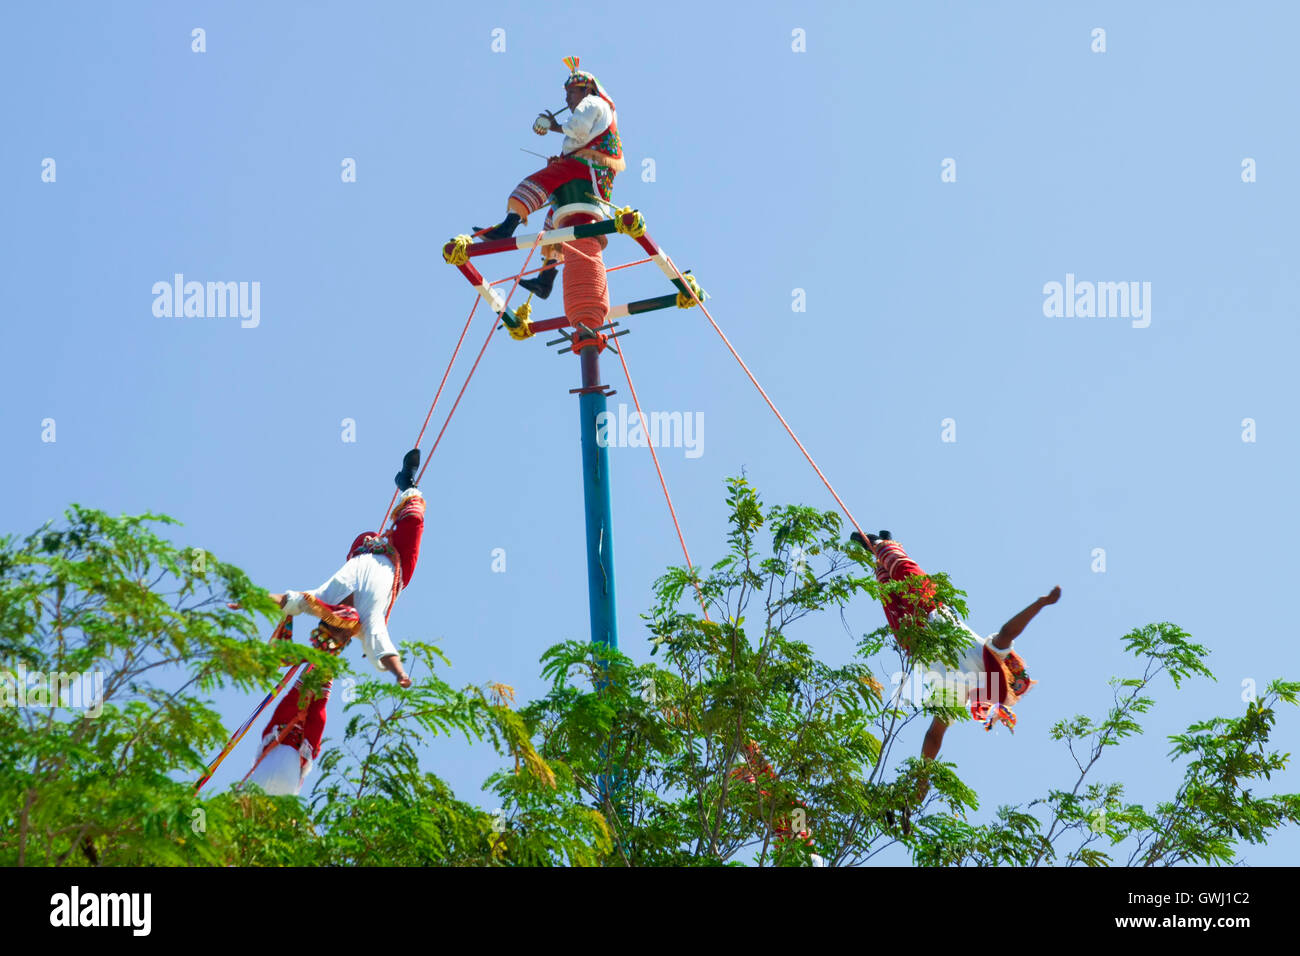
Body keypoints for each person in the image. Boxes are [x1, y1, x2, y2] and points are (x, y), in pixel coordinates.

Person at [247, 449, 426, 796]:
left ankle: (405, 484)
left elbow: (290, 600)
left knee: (312, 680)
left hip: (365, 553)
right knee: (416, 515)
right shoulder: (361, 611)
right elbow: (380, 644)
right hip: (397, 562)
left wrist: (253, 598)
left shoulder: (329, 595)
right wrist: (399, 673)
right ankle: (408, 486)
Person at [851, 530, 1059, 760]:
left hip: (913, 640)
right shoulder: (987, 655)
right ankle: (882, 543)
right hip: (930, 609)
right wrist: (1041, 604)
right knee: (902, 569)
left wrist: (924, 773)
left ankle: (876, 550)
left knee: (888, 588)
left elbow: (934, 736)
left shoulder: (955, 698)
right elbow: (1008, 632)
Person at [476, 57, 625, 300]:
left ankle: (507, 227)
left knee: (539, 182)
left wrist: (554, 126)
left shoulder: (593, 102)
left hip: (587, 169)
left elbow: (577, 130)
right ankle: (547, 277)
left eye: (571, 93)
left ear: (586, 89)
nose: (567, 100)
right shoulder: (598, 108)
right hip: (590, 174)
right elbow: (579, 139)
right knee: (556, 215)